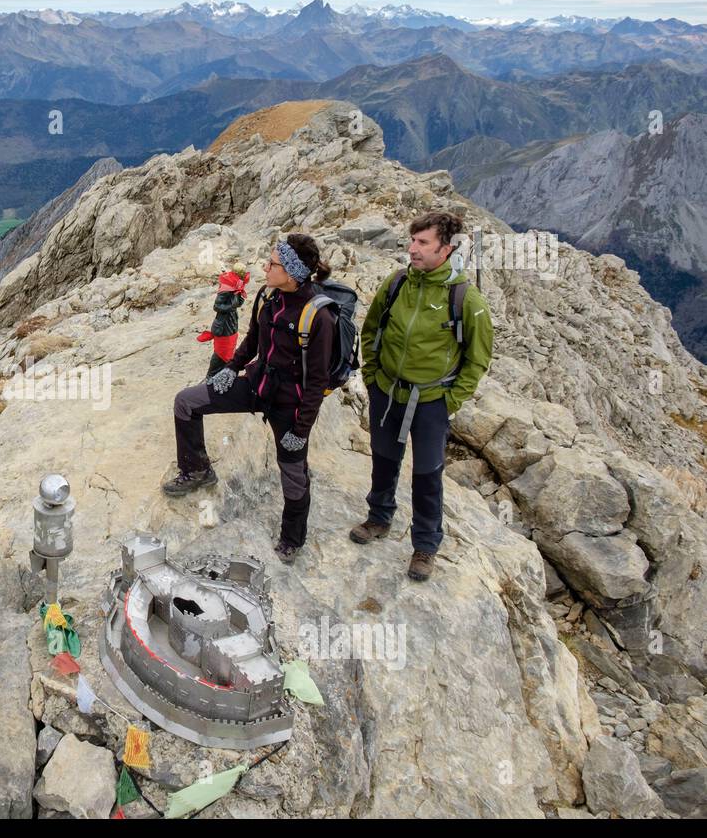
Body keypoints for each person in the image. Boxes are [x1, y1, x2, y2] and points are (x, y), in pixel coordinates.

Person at [166, 233, 335, 564]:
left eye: (271, 263)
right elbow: (253, 342)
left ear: (290, 270)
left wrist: (300, 431)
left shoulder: (319, 317)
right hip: (257, 385)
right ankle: (197, 469)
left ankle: (292, 537)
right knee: (186, 402)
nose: (264, 267)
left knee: (294, 472)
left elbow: (317, 382)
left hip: (290, 404)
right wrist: (231, 369)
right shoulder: (268, 296)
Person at [351, 211, 494, 581]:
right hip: (387, 390)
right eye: (412, 240)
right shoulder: (398, 282)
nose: (412, 248)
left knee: (427, 473)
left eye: (423, 243)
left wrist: (449, 401)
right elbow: (371, 328)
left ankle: (426, 546)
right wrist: (371, 375)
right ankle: (379, 518)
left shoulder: (466, 299)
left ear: (445, 249)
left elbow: (478, 360)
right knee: (383, 458)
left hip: (430, 400)